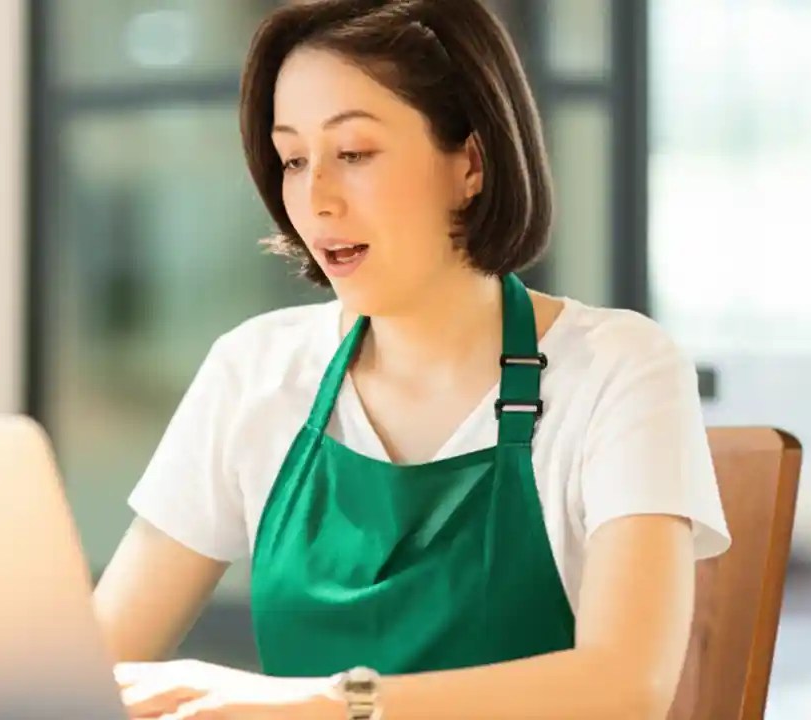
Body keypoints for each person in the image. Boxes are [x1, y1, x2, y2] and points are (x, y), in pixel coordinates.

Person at [93, 1, 730, 717]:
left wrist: (326, 704)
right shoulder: (254, 370)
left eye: (354, 153)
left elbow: (624, 690)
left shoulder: (620, 369)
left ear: (472, 163)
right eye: (293, 159)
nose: (315, 198)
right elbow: (92, 663)